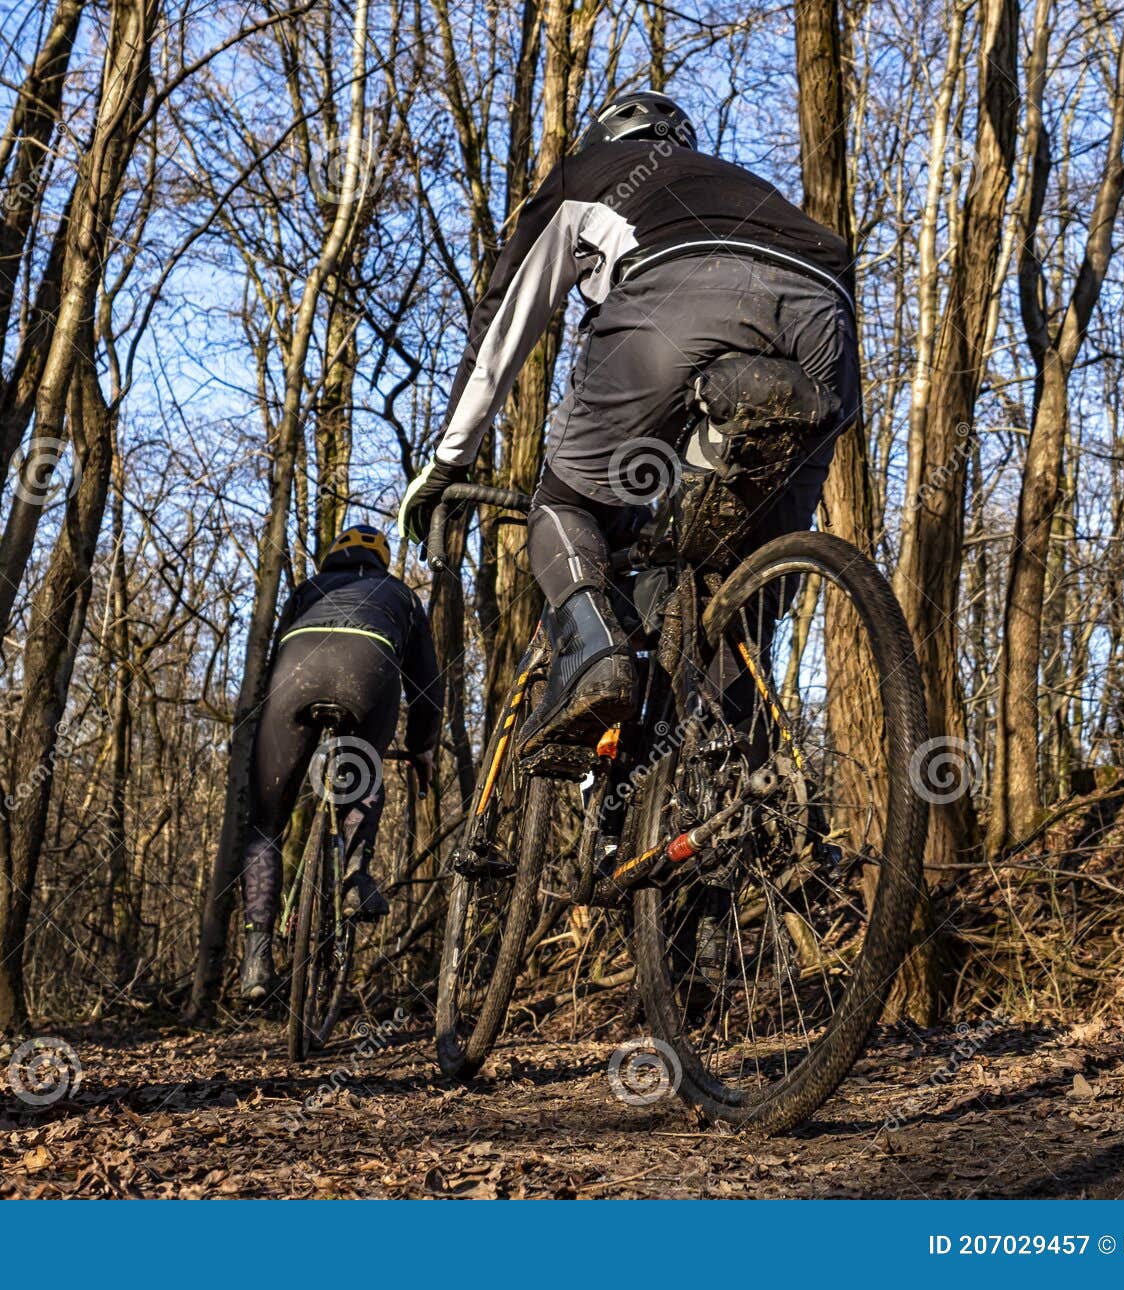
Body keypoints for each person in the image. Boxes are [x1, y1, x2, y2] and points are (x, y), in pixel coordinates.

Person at [400, 90, 858, 754]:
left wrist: (450, 458)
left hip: (677, 296)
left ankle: (594, 656)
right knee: (739, 565)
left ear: (608, 140)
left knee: (564, 501)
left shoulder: (587, 173)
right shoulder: (742, 184)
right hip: (826, 316)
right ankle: (734, 771)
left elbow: (504, 322)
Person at [238, 523, 443, 1002]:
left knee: (267, 825)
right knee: (363, 777)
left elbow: (272, 661)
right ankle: (354, 878)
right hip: (367, 673)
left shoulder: (305, 590)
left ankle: (255, 959)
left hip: (294, 672)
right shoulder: (401, 595)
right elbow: (426, 685)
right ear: (382, 561)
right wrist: (421, 747)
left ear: (334, 556)